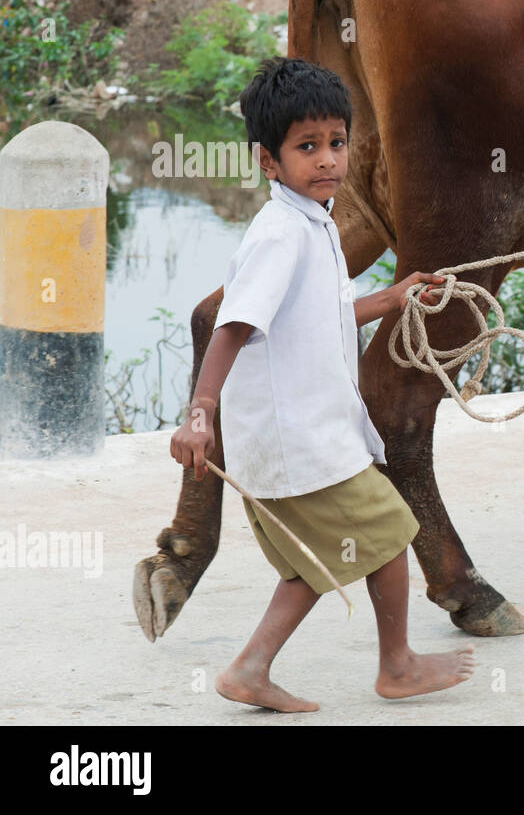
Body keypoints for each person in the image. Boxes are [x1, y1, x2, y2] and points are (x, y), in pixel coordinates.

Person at [170, 56, 474, 712]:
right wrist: (200, 412)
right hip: (297, 444)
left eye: (336, 142)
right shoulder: (280, 234)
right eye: (307, 147)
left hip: (303, 440)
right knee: (391, 527)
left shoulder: (314, 223)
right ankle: (397, 665)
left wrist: (391, 297)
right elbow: (233, 325)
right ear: (268, 162)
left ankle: (250, 669)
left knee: (316, 562)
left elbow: (319, 313)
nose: (328, 159)